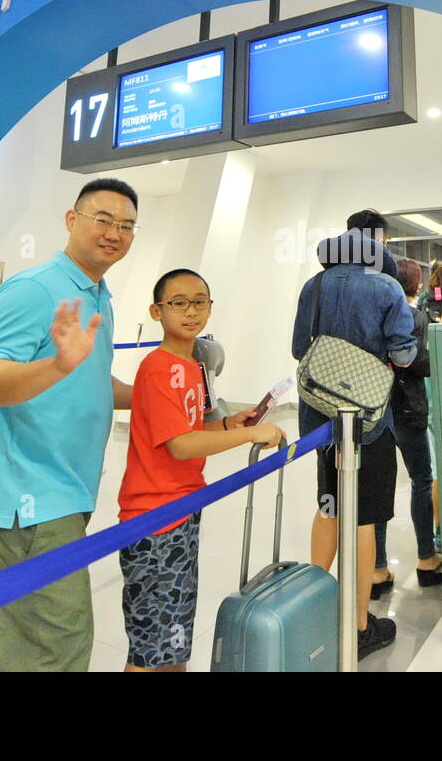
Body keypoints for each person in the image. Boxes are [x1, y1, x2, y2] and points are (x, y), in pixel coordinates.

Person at [0, 177, 138, 672]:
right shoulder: (36, 289)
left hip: (63, 496)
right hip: (30, 503)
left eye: (126, 226)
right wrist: (57, 366)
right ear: (71, 219)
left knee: (3, 645)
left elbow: (94, 382)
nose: (114, 233)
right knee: (55, 649)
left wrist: (165, 395)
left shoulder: (98, 296)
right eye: (102, 220)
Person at [117, 269, 284, 672]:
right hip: (153, 519)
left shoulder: (192, 364)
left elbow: (188, 430)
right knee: (149, 648)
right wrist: (249, 437)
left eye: (200, 301)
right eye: (178, 303)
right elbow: (180, 445)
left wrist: (230, 425)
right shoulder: (157, 367)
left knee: (173, 638)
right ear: (156, 311)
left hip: (184, 507)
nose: (190, 311)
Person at [292, 208, 416, 659]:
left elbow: (297, 349)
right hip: (368, 420)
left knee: (328, 507)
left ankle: (311, 610)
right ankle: (360, 626)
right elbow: (403, 355)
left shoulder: (314, 286)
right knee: (364, 518)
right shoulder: (387, 286)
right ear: (376, 245)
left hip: (320, 419)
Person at [371, 258, 441, 599]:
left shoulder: (375, 315)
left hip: (378, 410)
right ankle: (427, 559)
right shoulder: (418, 317)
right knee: (421, 481)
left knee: (380, 489)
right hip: (409, 410)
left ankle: (377, 567)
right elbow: (424, 363)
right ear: (416, 285)